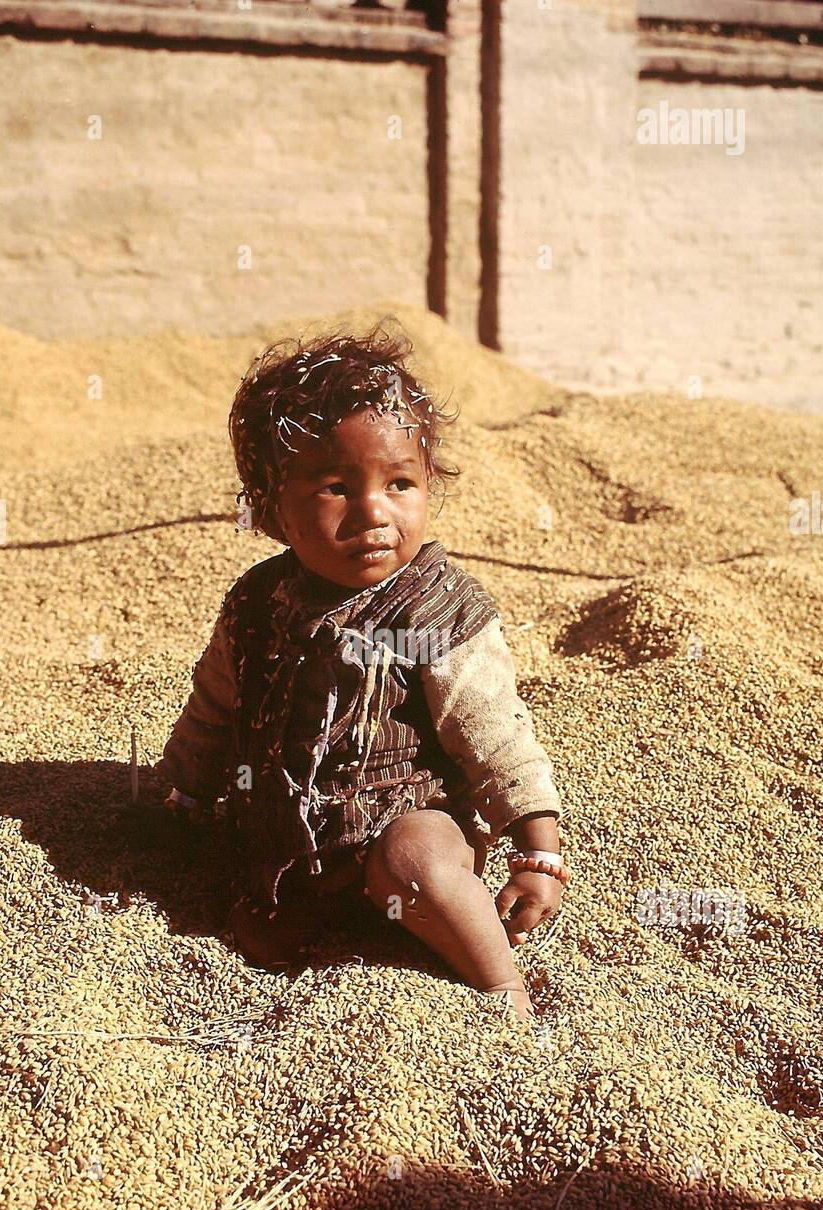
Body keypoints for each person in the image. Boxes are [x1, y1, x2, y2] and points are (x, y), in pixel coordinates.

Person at [155, 319, 566, 1019]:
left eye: (400, 482)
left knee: (421, 865)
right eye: (336, 488)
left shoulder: (436, 608)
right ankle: (321, 927)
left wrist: (537, 848)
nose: (374, 511)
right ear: (269, 509)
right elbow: (214, 707)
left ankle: (503, 994)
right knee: (251, 918)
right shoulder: (259, 603)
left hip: (403, 816)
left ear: (429, 485)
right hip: (288, 836)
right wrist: (182, 793)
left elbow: (495, 732)